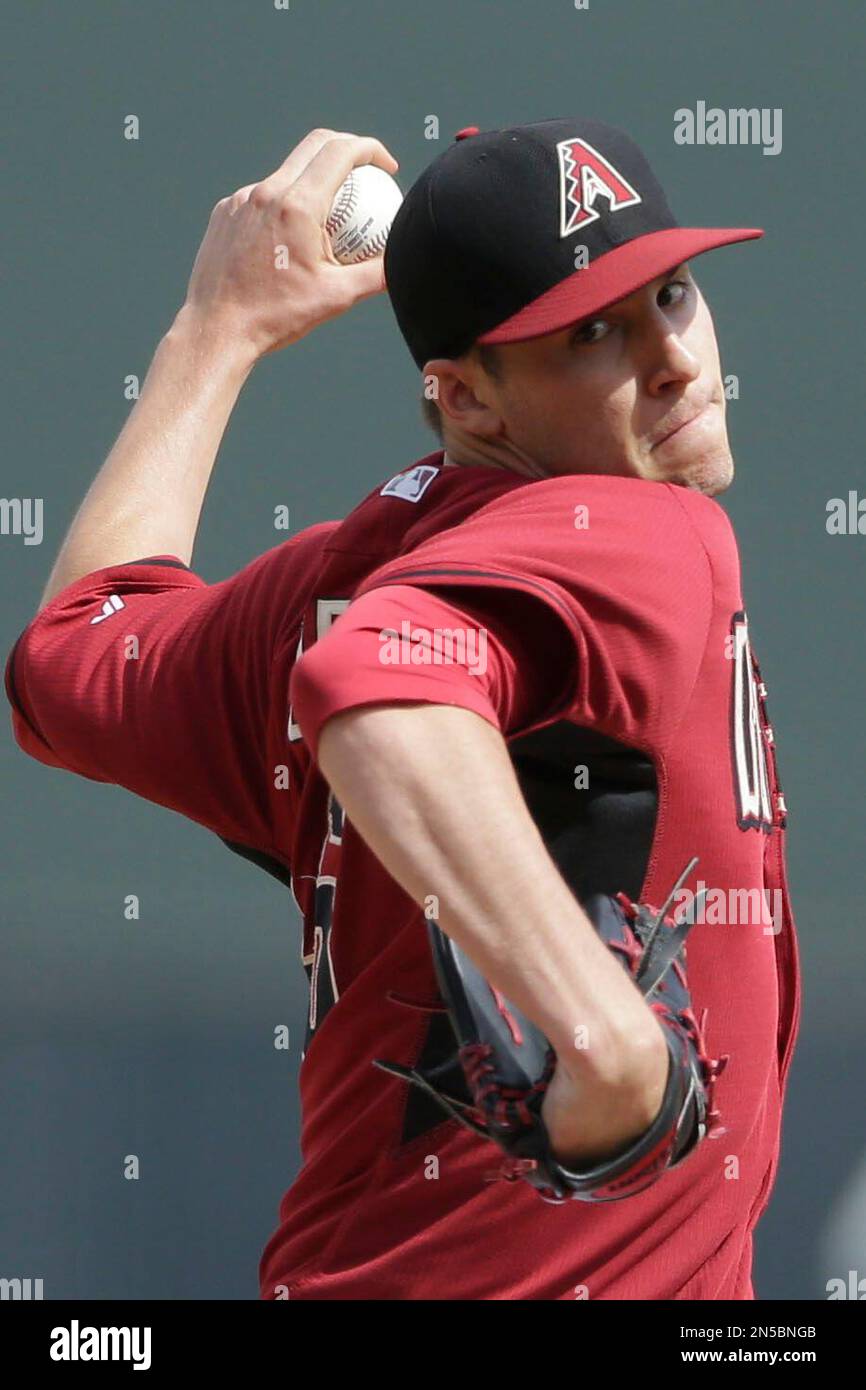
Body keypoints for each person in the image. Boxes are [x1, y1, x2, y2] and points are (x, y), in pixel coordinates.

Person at [5, 118, 801, 1300]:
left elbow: (70, 659)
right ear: (470, 402)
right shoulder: (640, 530)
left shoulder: (332, 580)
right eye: (590, 332)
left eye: (670, 295)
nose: (672, 359)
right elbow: (381, 691)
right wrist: (600, 1031)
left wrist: (212, 334)